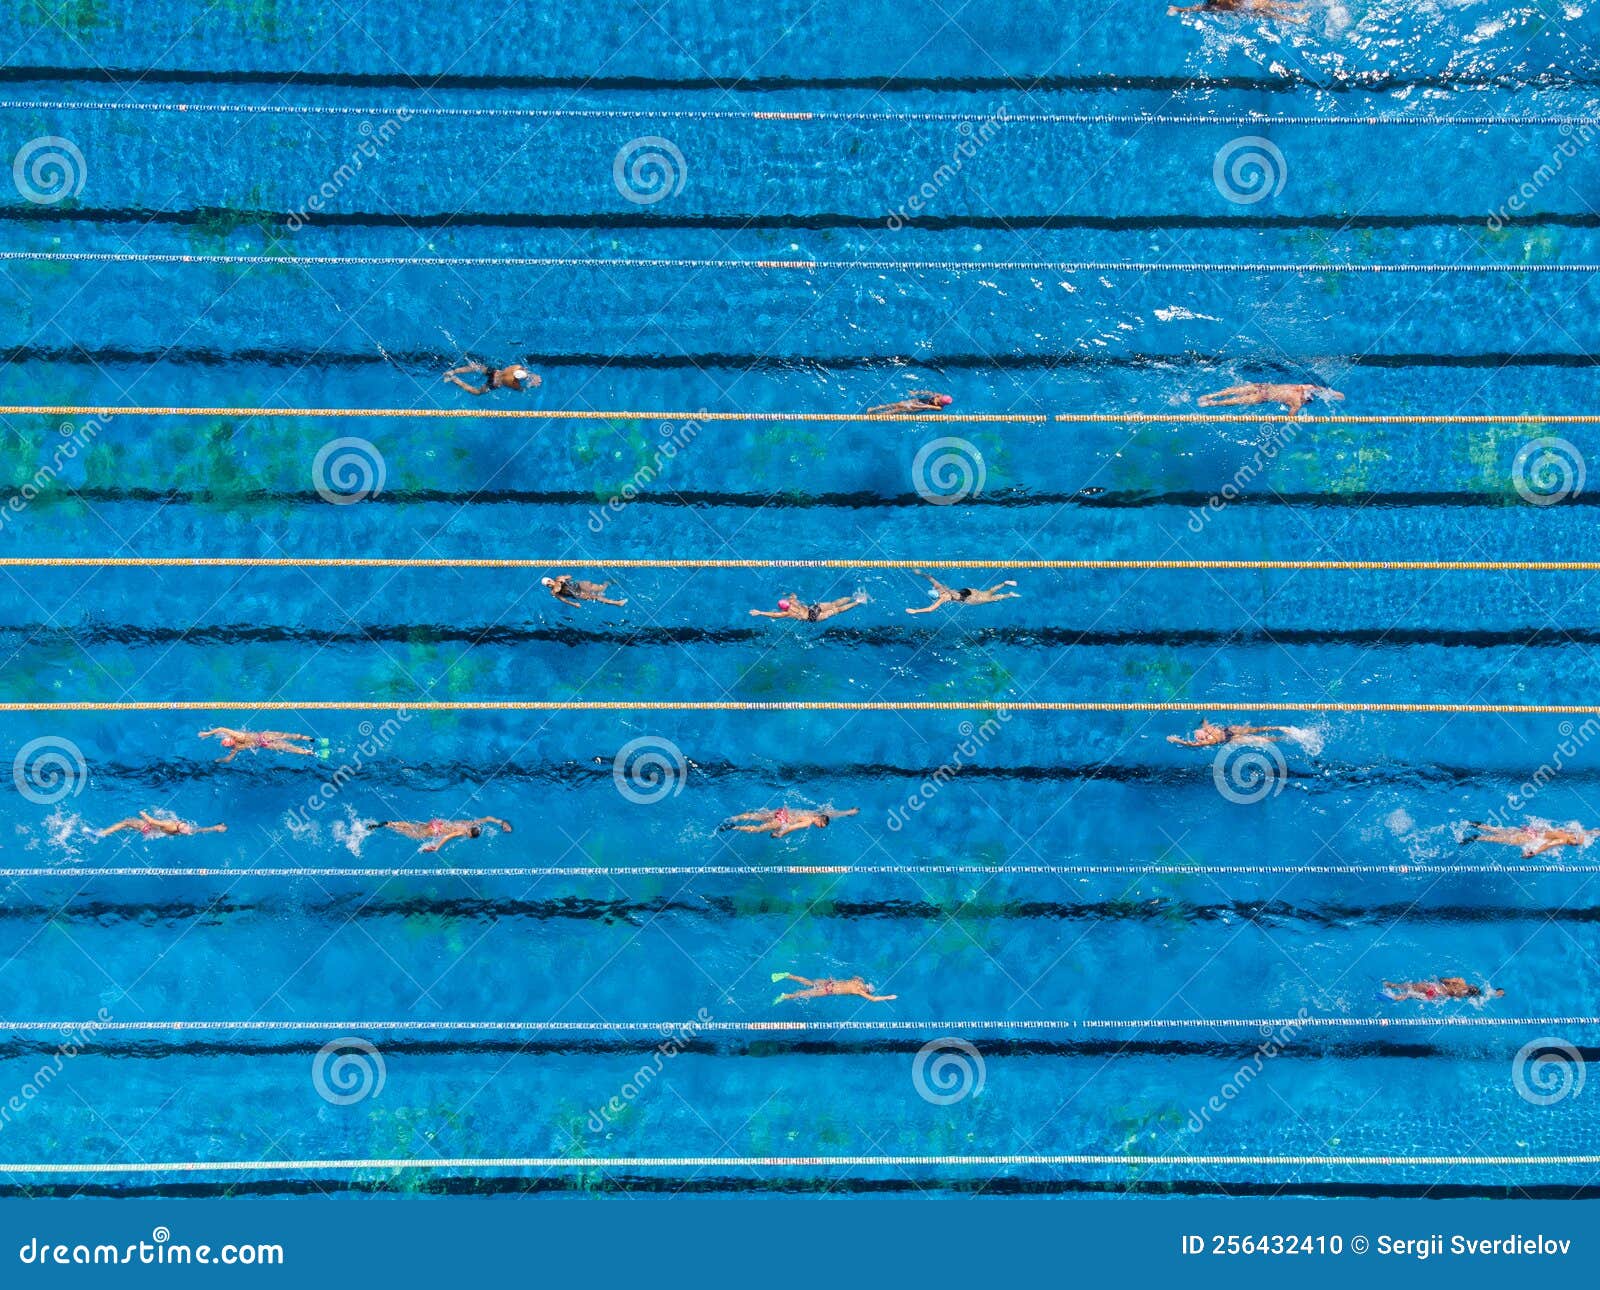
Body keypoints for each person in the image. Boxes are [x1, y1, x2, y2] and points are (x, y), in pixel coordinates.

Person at [366, 816, 513, 853]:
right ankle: (389, 826)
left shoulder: (471, 823)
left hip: (437, 823)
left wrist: (502, 823)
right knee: (412, 835)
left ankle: (390, 823)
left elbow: (487, 818)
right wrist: (437, 847)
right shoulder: (463, 831)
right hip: (435, 831)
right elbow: (448, 836)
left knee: (413, 826)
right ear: (469, 834)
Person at [1462, 819, 1598, 858]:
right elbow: (1548, 845)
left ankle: (1478, 825)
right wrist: (1534, 853)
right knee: (1500, 839)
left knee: (1501, 831)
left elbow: (1589, 832)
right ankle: (1477, 838)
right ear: (1572, 840)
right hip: (1528, 837)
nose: (1573, 845)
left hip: (1531, 831)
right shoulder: (1563, 840)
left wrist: (1595, 832)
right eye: (1574, 844)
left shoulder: (1568, 832)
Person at [1197, 382, 1342, 416]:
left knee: (1236, 391)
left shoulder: (1303, 387)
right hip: (1264, 396)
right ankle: (1212, 403)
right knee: (1237, 401)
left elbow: (1320, 389)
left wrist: (1335, 393)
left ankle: (1211, 396)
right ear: (1306, 401)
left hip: (1264, 386)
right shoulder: (1297, 404)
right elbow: (1289, 417)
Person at [906, 572, 1020, 614]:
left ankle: (1009, 594)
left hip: (967, 599)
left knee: (991, 599)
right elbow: (930, 577)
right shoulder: (939, 587)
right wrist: (919, 573)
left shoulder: (942, 598)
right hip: (967, 590)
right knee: (988, 592)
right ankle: (1004, 583)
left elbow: (931, 609)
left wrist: (915, 610)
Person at [725, 806, 859, 837]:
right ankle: (733, 827)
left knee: (756, 816)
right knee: (759, 829)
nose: (818, 827)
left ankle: (734, 818)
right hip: (782, 820)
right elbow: (792, 827)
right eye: (820, 825)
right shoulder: (808, 822)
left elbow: (832, 813)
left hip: (782, 811)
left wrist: (848, 812)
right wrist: (779, 834)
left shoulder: (816, 813)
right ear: (818, 820)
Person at [199, 727, 315, 763]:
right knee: (288, 736)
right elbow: (221, 728)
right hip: (265, 737)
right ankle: (309, 739)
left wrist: (220, 760)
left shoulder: (237, 748)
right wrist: (207, 733)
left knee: (288, 748)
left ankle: (309, 753)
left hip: (264, 744)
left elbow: (229, 759)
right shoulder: (238, 736)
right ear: (230, 739)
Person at [771, 972, 897, 1003]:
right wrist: (889, 997)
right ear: (867, 990)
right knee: (805, 994)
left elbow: (855, 975)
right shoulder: (858, 990)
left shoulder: (857, 981)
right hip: (828, 990)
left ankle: (787, 975)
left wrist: (861, 980)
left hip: (828, 982)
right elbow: (873, 999)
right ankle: (785, 996)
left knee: (808, 982)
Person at [1167, 718, 1292, 748]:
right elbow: (1191, 744)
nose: (1197, 736)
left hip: (1229, 731)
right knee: (1258, 738)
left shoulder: (1207, 730)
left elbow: (1204, 719)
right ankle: (1281, 737)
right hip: (1231, 739)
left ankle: (1280, 728)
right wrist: (1176, 740)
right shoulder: (1207, 739)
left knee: (1256, 730)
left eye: (1197, 734)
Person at [97, 811, 226, 839]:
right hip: (156, 833)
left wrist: (143, 814)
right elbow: (201, 830)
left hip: (149, 827)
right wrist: (215, 828)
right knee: (129, 828)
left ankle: (101, 834)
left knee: (125, 822)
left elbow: (152, 822)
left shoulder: (169, 824)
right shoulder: (187, 831)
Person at [750, 594, 864, 623]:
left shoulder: (786, 613)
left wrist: (760, 612)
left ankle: (857, 602)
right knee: (834, 603)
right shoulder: (793, 601)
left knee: (837, 611)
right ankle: (853, 597)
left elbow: (774, 615)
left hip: (811, 616)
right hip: (813, 608)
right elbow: (794, 595)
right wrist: (790, 595)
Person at [442, 362, 541, 395]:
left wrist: (531, 376)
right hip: (494, 383)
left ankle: (453, 371)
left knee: (477, 367)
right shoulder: (513, 384)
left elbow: (524, 371)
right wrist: (531, 386)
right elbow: (522, 390)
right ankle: (454, 380)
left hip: (494, 371)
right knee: (476, 392)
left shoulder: (516, 367)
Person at [1382, 977, 1505, 1004]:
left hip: (1433, 988)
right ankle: (1393, 998)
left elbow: (1443, 979)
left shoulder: (1460, 981)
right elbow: (1484, 995)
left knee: (1409, 986)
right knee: (1409, 995)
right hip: (1435, 995)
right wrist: (1496, 993)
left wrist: (1448, 981)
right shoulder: (1462, 995)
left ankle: (1391, 985)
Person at [1168, 0, 1307, 20]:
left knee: (1268, 6)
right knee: (1268, 8)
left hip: (1248, 7)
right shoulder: (1213, 6)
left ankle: (1296, 11)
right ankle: (1296, 18)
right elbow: (1195, 9)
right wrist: (1178, 9)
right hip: (1247, 9)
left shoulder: (1215, 6)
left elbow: (1196, 9)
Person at [542, 575, 627, 607]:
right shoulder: (553, 592)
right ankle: (618, 603)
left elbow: (570, 576)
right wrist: (574, 604)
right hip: (577, 594)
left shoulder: (558, 578)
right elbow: (563, 600)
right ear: (547, 586)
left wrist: (564, 578)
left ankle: (609, 582)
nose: (550, 583)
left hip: (580, 585)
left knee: (601, 588)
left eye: (549, 581)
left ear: (550, 579)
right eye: (547, 584)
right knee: (596, 597)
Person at [866, 391, 953, 415]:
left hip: (918, 405)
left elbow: (926, 405)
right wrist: (916, 393)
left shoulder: (939, 405)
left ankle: (877, 412)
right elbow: (928, 393)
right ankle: (876, 411)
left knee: (898, 408)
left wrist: (915, 405)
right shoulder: (939, 399)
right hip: (918, 403)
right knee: (898, 406)